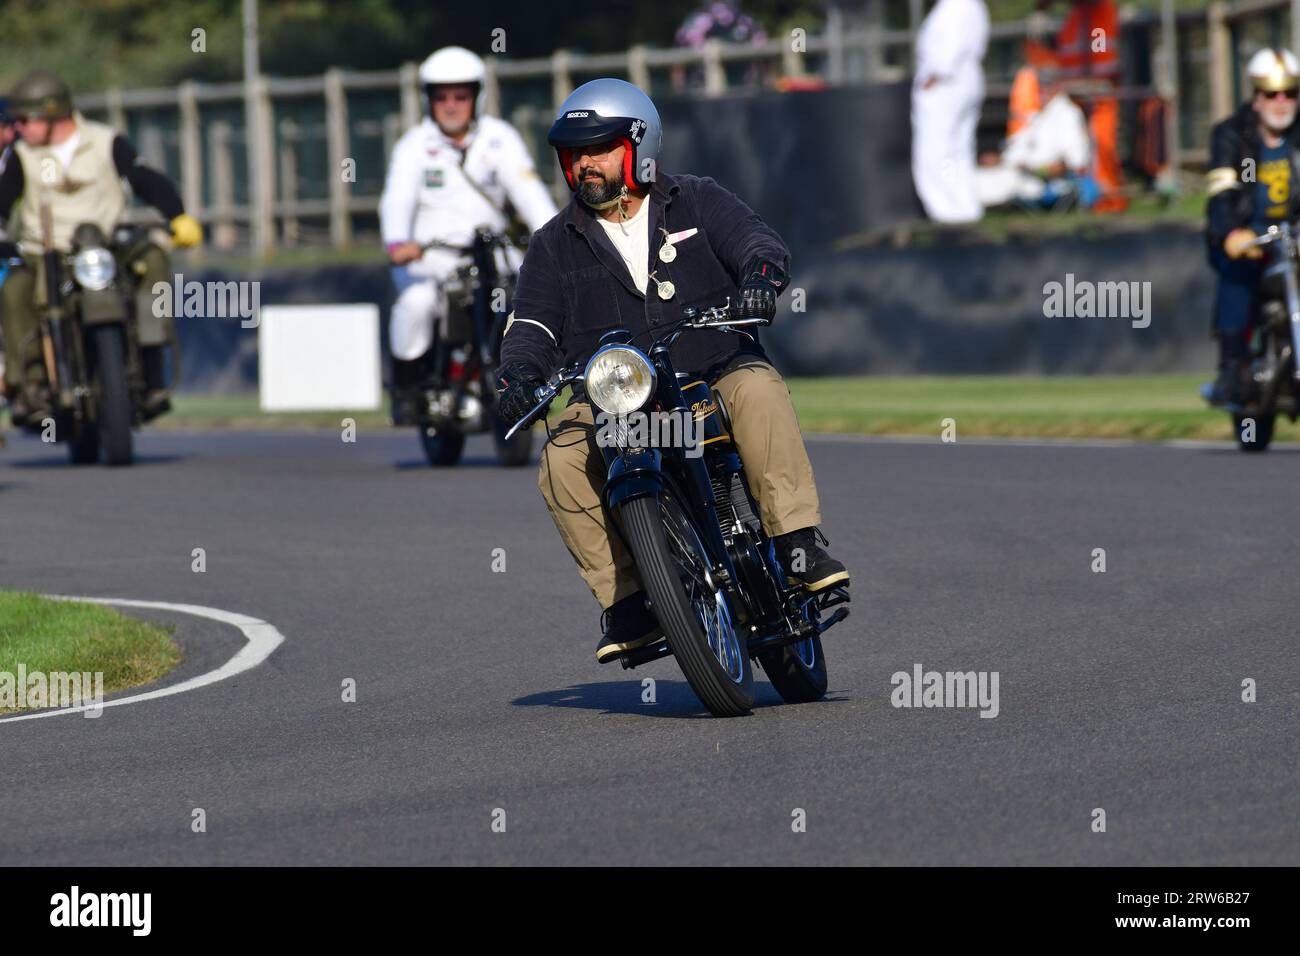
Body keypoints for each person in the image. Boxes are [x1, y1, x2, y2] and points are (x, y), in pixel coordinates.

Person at [494, 78, 849, 664]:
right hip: (613, 394)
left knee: (759, 390)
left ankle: (796, 542)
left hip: (711, 367)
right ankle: (627, 600)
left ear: (639, 145)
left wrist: (760, 277)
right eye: (573, 154)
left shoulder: (696, 199)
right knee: (559, 458)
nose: (584, 164)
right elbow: (532, 326)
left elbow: (756, 241)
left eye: (598, 149)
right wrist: (517, 376)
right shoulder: (553, 244)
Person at [0, 69, 202, 426]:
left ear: (51, 114)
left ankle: (151, 364)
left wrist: (178, 215)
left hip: (105, 247)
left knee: (154, 259)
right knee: (16, 289)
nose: (19, 128)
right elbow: (3, 199)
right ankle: (29, 386)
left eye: (24, 119)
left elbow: (144, 179)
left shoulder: (106, 141)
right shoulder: (21, 156)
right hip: (44, 251)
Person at [379, 45, 557, 422]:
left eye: (461, 96)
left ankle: (532, 375)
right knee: (417, 303)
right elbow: (397, 199)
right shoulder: (414, 146)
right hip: (431, 257)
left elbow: (529, 192)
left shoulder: (499, 138)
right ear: (428, 100)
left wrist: (556, 239)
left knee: (530, 292)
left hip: (494, 252)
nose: (451, 105)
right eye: (441, 97)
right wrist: (397, 243)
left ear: (478, 96)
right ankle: (409, 390)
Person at [1204, 48, 1300, 406]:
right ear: (1256, 97)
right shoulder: (1233, 136)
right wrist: (1233, 233)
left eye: (1290, 93)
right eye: (1271, 93)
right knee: (1238, 274)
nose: (1281, 102)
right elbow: (1222, 193)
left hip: (1295, 237)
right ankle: (1232, 368)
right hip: (1251, 237)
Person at [1027, 0, 1126, 212]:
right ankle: (1083, 197)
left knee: (1101, 146)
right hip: (1073, 95)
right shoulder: (1074, 18)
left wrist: (1086, 81)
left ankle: (1108, 201)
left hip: (1098, 96)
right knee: (1074, 149)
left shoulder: (1099, 14)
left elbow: (1100, 57)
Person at [911, 0, 990, 224]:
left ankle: (947, 212)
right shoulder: (973, 5)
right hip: (966, 78)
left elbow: (947, 51)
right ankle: (965, 209)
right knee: (958, 151)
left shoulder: (954, 8)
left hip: (946, 82)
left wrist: (934, 77)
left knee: (936, 151)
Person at [974, 83, 1094, 209]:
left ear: (1058, 87)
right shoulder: (1039, 116)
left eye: (1047, 85)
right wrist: (1000, 159)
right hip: (1017, 172)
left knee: (983, 183)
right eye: (1040, 86)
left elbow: (1073, 162)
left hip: (1039, 181)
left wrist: (1037, 170)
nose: (1042, 91)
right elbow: (1018, 149)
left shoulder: (1068, 115)